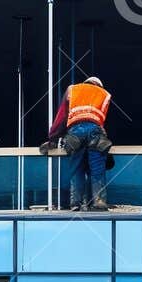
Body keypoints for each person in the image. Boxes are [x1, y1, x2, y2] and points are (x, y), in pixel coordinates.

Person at [46, 75, 113, 211]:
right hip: (95, 131)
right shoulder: (105, 94)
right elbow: (101, 121)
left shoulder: (73, 89)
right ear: (99, 85)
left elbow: (62, 116)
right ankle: (98, 202)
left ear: (85, 83)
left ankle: (75, 203)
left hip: (75, 131)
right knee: (97, 169)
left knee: (76, 168)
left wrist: (53, 137)